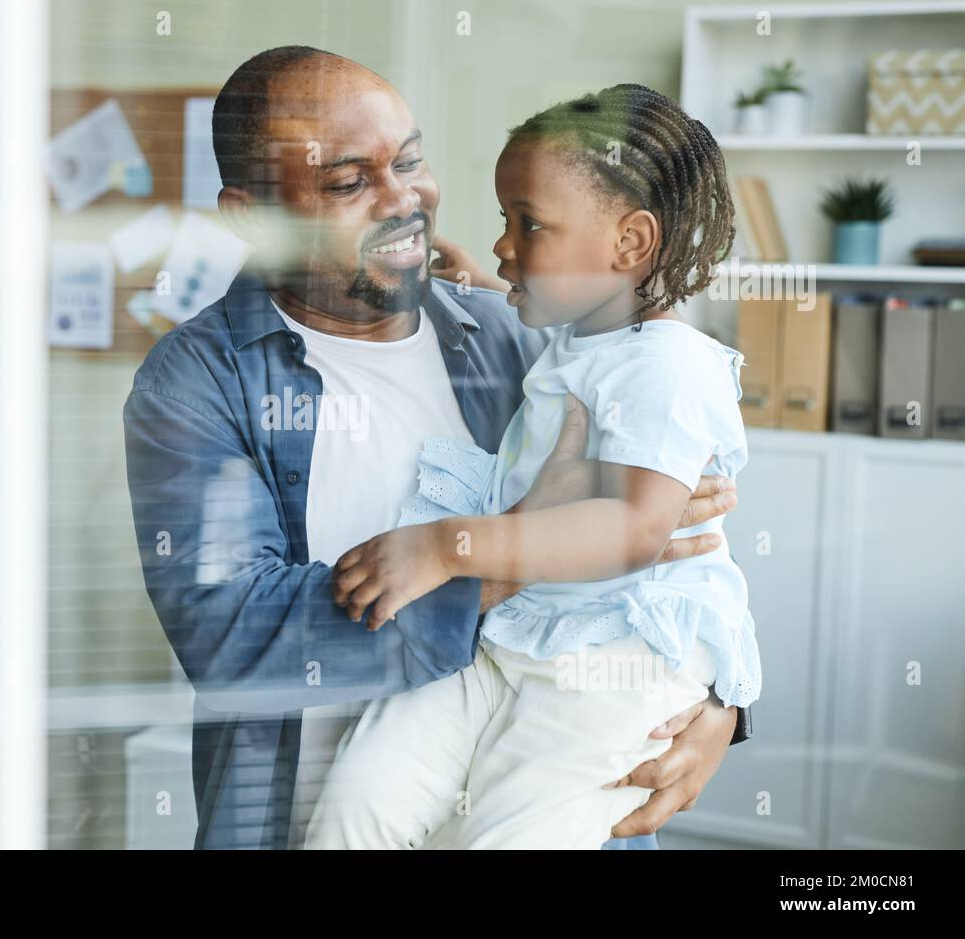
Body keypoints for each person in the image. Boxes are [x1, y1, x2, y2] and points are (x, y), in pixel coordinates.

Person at [123, 48, 749, 850]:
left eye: (410, 162)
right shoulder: (198, 384)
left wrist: (720, 707)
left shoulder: (517, 336)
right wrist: (504, 558)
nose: (403, 201)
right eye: (349, 183)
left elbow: (679, 545)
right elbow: (232, 638)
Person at [306, 84, 760, 849]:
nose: (503, 245)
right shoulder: (591, 337)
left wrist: (446, 545)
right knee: (360, 800)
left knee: (507, 836)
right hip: (514, 635)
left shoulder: (673, 366)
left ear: (629, 244)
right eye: (503, 220)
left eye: (529, 225)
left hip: (614, 652)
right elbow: (566, 363)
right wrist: (487, 290)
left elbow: (637, 528)